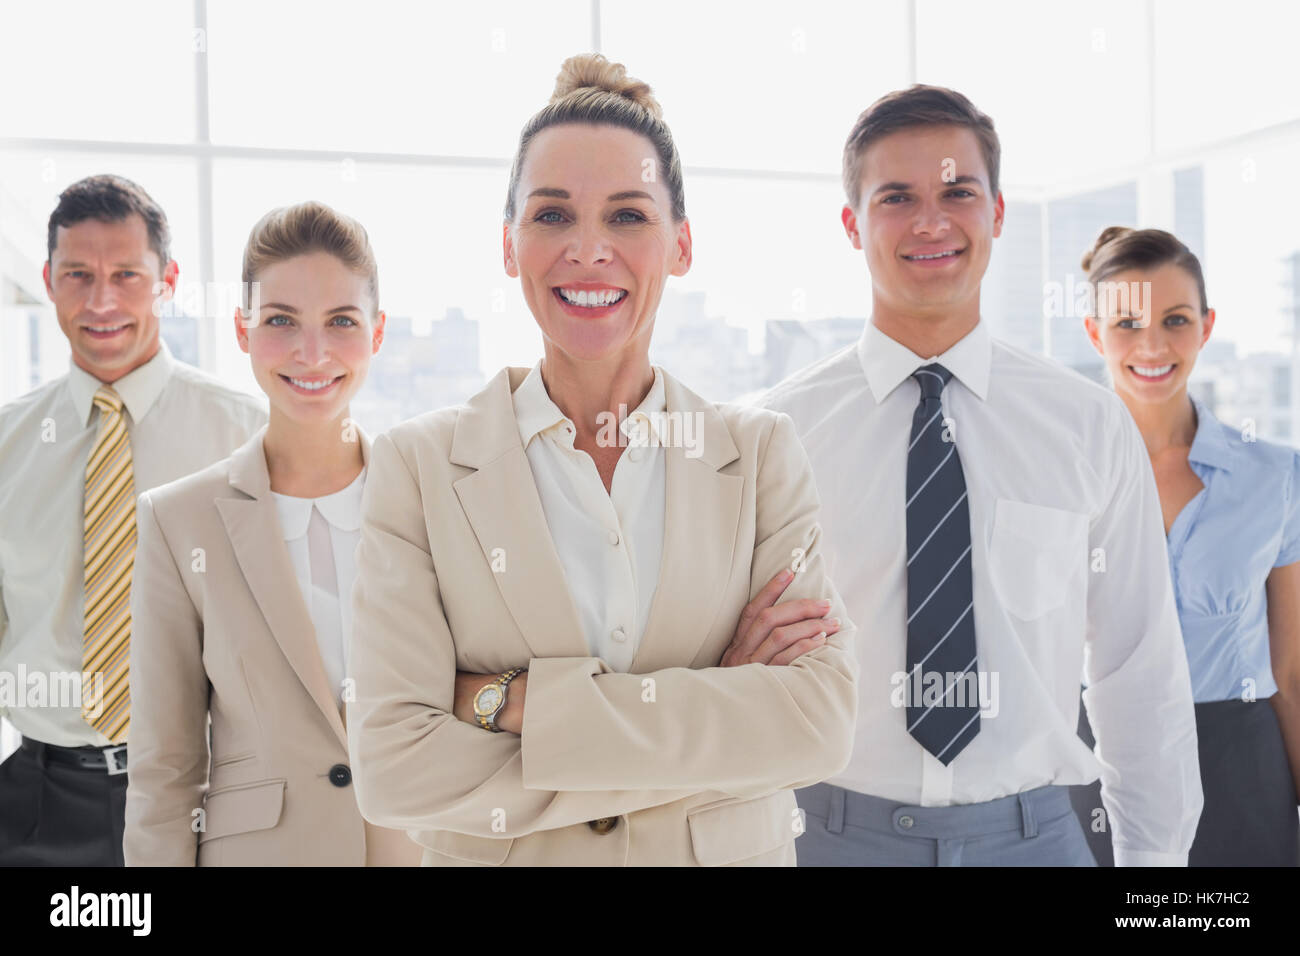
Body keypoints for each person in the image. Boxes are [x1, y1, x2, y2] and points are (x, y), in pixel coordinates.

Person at [346, 53, 857, 867]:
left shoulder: (760, 458)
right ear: (509, 246)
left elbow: (819, 723)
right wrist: (723, 717)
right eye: (551, 216)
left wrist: (507, 706)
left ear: (681, 244)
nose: (588, 250)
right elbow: (395, 771)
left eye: (627, 216)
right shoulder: (418, 468)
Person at [758, 85, 1203, 866]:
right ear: (851, 223)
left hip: (1036, 839)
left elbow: (1140, 676)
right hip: (824, 837)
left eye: (957, 192)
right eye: (896, 196)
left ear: (996, 213)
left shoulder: (1089, 424)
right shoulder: (778, 434)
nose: (931, 220)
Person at [123, 201, 418, 865]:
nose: (312, 352)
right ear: (242, 330)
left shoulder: (429, 505)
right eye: (280, 320)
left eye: (341, 321)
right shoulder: (179, 521)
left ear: (376, 334)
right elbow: (165, 770)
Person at [0, 175, 266, 866]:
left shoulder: (250, 437)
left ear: (168, 280)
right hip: (36, 801)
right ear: (50, 280)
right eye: (77, 275)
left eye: (126, 275)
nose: (101, 301)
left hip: (206, 793)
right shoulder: (6, 447)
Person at [1075, 226, 1300, 866]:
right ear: (1094, 333)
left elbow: (1290, 671)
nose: (1152, 345)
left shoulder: (1275, 477)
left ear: (1206, 327)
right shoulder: (1056, 477)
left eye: (1176, 319)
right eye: (1126, 324)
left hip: (1242, 766)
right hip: (1096, 761)